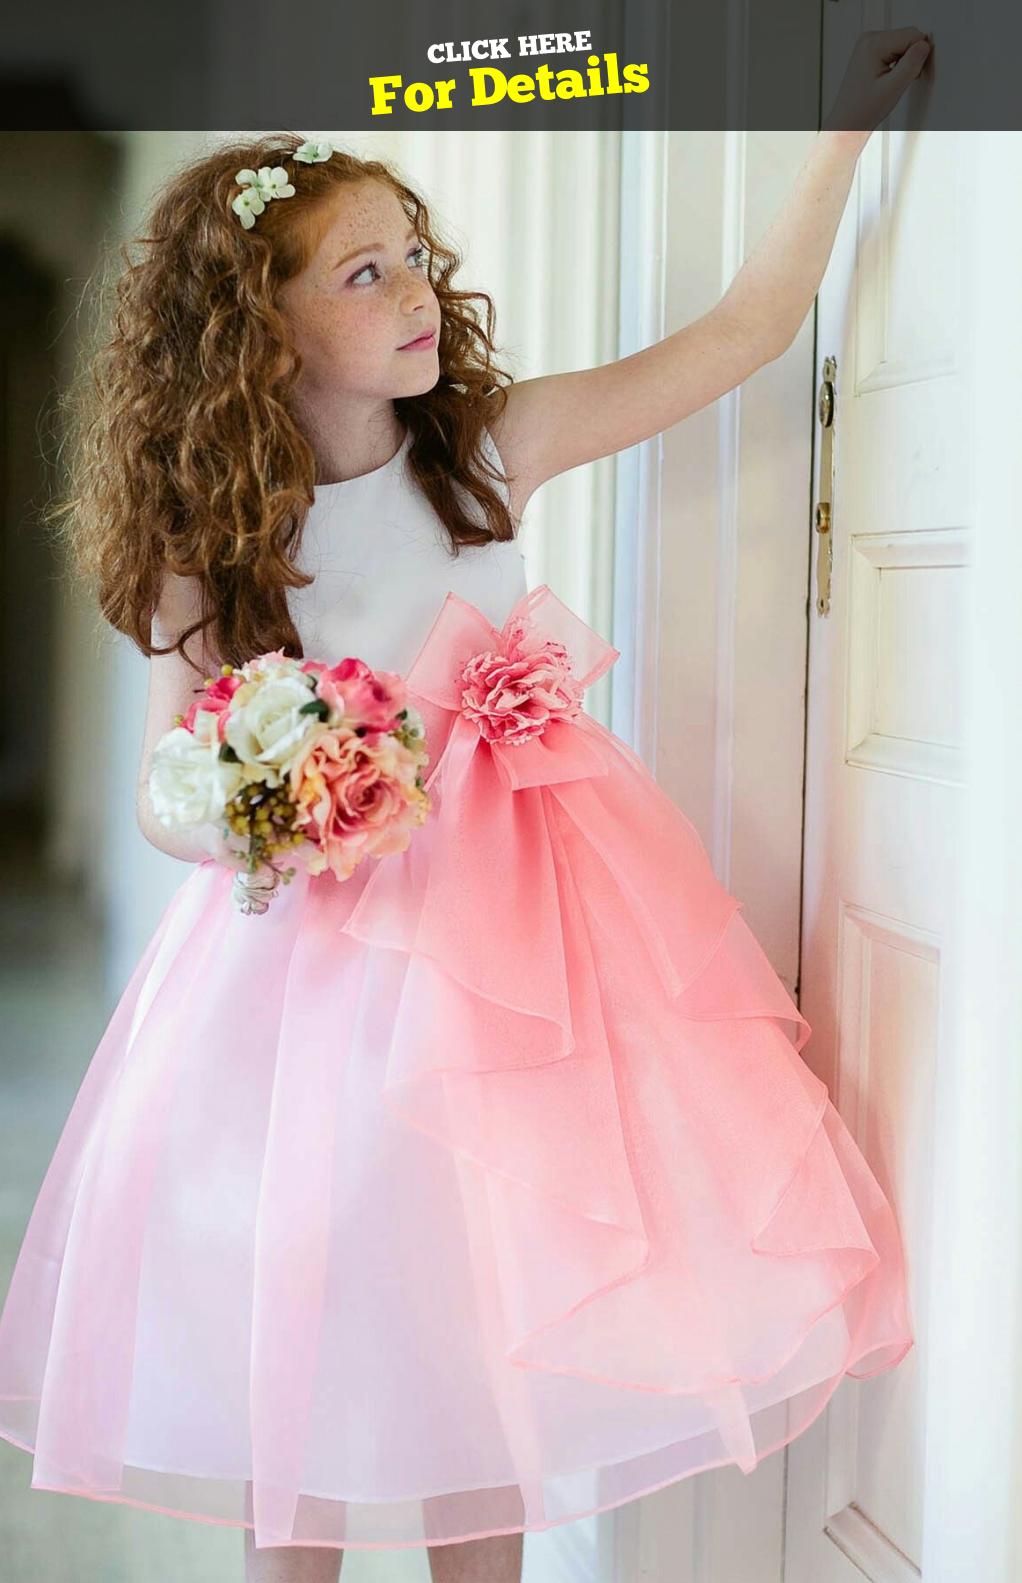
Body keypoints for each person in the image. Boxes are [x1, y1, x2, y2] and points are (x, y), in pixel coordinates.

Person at [0, 30, 930, 1583]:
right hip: (314, 968)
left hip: (535, 945)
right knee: (300, 1307)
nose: (419, 289)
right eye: (364, 272)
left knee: (478, 1317)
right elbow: (174, 780)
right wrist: (270, 809)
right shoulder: (215, 537)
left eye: (417, 253)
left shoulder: (485, 462)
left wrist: (837, 130)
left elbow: (744, 336)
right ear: (260, 326)